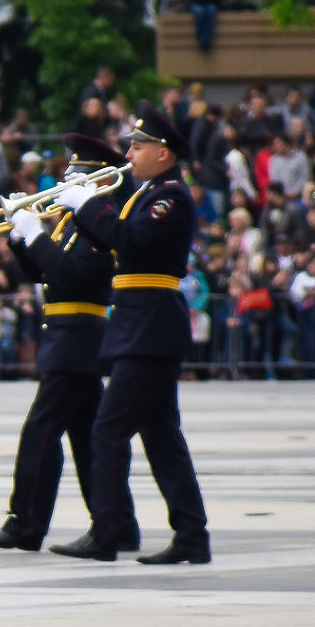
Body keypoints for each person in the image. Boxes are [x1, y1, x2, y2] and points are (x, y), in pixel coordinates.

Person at [51, 106, 210, 564]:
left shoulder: (170, 198)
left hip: (150, 326)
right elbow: (112, 240)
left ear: (163, 153)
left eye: (137, 146)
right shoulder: (145, 194)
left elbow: (132, 241)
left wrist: (89, 207)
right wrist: (77, 213)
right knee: (161, 436)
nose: (129, 153)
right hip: (140, 325)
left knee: (107, 431)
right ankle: (191, 535)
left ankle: (108, 532)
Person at [0, 135, 137, 552]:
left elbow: (67, 275)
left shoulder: (102, 223)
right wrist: (20, 233)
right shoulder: (76, 225)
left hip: (78, 341)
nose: (64, 179)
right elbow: (42, 273)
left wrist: (36, 233)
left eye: (74, 172)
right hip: (68, 340)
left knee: (41, 433)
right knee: (87, 441)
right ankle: (118, 523)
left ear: (95, 178)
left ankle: (25, 524)